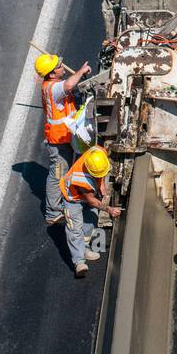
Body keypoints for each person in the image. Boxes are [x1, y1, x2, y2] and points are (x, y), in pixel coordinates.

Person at [35, 52, 91, 228]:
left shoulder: (50, 84)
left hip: (63, 137)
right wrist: (81, 71)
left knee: (62, 171)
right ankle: (52, 212)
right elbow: (68, 85)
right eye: (58, 66)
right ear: (52, 73)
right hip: (58, 141)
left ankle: (61, 201)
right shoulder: (53, 87)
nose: (61, 66)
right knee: (57, 173)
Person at [59, 146, 120, 278]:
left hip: (88, 193)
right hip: (73, 199)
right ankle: (79, 263)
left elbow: (101, 172)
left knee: (91, 218)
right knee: (75, 228)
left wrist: (101, 184)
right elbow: (91, 201)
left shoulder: (98, 153)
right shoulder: (80, 178)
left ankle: (85, 247)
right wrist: (109, 209)